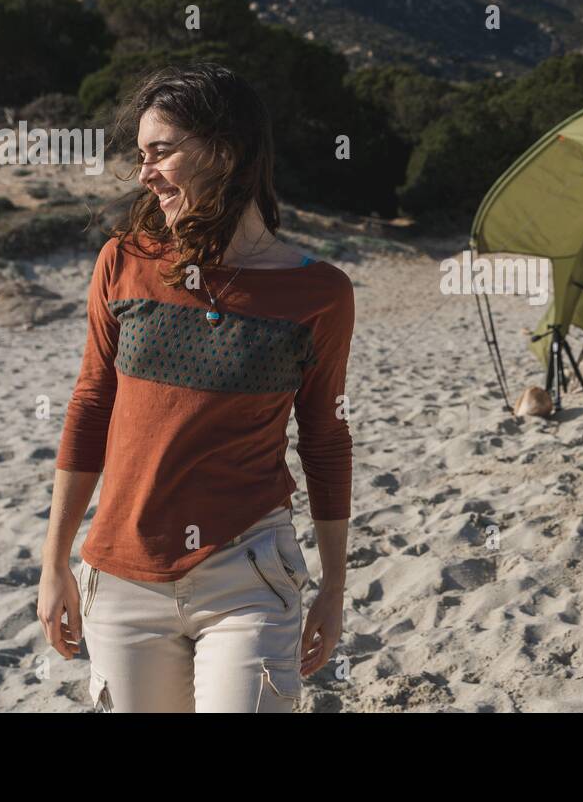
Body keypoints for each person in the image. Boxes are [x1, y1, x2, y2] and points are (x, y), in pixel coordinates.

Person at [35, 62, 354, 712]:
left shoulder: (318, 294)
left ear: (225, 153)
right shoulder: (123, 264)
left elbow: (324, 438)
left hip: (249, 572)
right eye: (141, 154)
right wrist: (54, 563)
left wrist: (333, 586)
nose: (146, 172)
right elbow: (90, 410)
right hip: (122, 574)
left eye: (162, 152)